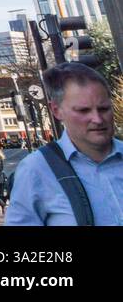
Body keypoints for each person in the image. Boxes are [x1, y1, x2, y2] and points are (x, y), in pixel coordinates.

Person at [7, 62, 123, 226]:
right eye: (83, 110)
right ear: (56, 110)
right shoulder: (36, 169)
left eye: (104, 108)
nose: (97, 119)